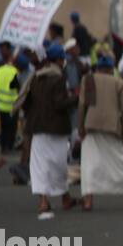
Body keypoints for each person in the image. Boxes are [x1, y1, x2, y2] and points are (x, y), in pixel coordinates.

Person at [21, 42, 78, 215]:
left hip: (38, 128)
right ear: (59, 60)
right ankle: (63, 198)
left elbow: (27, 103)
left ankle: (46, 201)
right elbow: (59, 104)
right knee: (58, 165)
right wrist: (76, 97)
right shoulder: (58, 77)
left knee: (39, 166)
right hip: (56, 128)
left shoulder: (36, 76)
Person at [77, 53, 123, 211]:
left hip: (91, 126)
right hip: (112, 127)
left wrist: (80, 127)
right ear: (111, 69)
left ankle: (88, 200)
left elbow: (82, 106)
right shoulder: (120, 83)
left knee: (89, 164)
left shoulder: (87, 80)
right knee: (117, 163)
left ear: (97, 68)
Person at [0, 42, 19, 155]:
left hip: (1, 104)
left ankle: (3, 146)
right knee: (11, 127)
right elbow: (16, 87)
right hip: (12, 105)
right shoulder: (14, 71)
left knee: (4, 127)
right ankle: (9, 146)